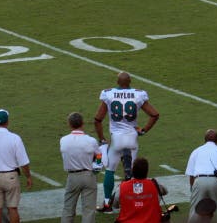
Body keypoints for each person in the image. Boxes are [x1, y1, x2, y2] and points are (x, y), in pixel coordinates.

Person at [94, 71, 160, 212]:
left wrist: (102, 138)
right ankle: (133, 203)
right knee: (133, 174)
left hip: (116, 138)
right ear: (130, 82)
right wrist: (143, 130)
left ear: (117, 82)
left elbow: (97, 119)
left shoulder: (108, 94)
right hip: (132, 138)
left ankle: (107, 203)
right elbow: (154, 114)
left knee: (110, 170)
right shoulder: (138, 94)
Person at [60, 112, 100, 223]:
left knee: (68, 209)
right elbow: (99, 156)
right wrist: (96, 167)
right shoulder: (91, 140)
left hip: (72, 177)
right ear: (83, 123)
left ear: (69, 124)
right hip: (88, 175)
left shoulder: (63, 140)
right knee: (88, 211)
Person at [186, 129, 217, 223]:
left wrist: (193, 189)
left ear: (204, 140)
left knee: (195, 210)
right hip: (216, 182)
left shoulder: (196, 151)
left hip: (199, 180)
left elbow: (191, 175)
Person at [116, 157, 166, 223]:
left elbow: (115, 204)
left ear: (132, 170)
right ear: (147, 171)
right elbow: (165, 191)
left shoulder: (122, 186)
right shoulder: (155, 185)